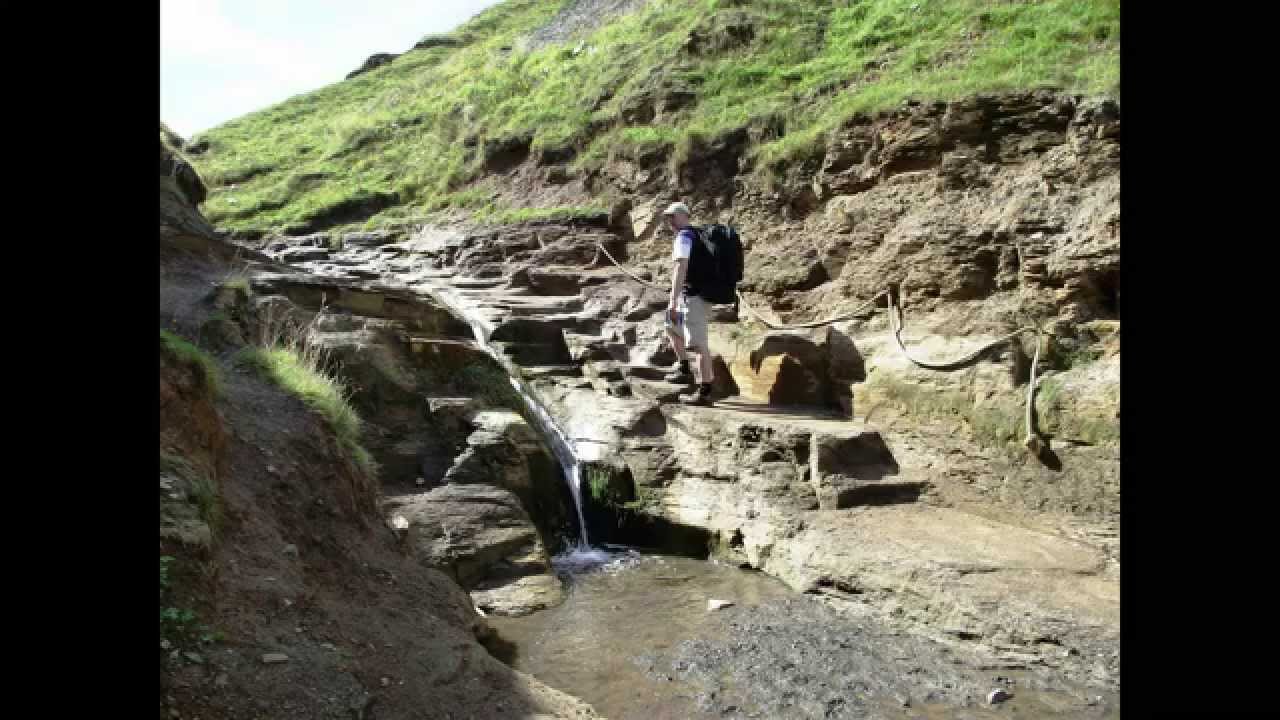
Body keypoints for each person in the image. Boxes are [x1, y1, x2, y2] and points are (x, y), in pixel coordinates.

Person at [661, 201, 715, 405]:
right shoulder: (698, 234)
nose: (670, 221)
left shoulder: (685, 236)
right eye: (667, 218)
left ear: (684, 216)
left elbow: (680, 267)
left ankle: (705, 392)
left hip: (694, 299)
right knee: (670, 325)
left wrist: (672, 300)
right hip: (690, 295)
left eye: (672, 217)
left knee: (699, 345)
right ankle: (684, 367)